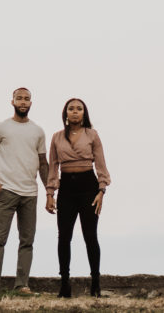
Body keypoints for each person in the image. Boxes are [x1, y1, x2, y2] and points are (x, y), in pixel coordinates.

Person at [0, 86, 49, 297]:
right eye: (19, 98)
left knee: (27, 242)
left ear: (31, 103)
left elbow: (43, 163)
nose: (23, 102)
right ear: (12, 102)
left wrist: (50, 193)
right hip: (7, 191)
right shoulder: (1, 128)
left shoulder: (38, 131)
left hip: (30, 193)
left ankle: (22, 286)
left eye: (27, 99)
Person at [44, 97, 109, 298]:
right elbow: (53, 166)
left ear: (84, 113)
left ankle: (95, 283)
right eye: (71, 108)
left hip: (88, 187)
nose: (75, 111)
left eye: (79, 109)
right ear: (65, 113)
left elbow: (101, 163)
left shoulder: (92, 135)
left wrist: (101, 191)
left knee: (90, 235)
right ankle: (65, 284)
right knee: (64, 236)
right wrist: (50, 193)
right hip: (66, 189)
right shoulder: (57, 137)